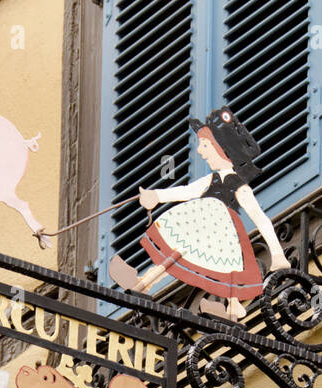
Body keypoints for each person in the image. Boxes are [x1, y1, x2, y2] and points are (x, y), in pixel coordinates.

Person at [108, 108, 291, 319]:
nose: (200, 152)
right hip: (201, 225)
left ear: (221, 149)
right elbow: (187, 191)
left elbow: (260, 218)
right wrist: (156, 196)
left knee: (222, 269)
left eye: (205, 146)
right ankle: (142, 284)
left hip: (223, 234)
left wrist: (278, 255)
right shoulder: (211, 180)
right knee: (177, 252)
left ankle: (232, 308)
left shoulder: (239, 186)